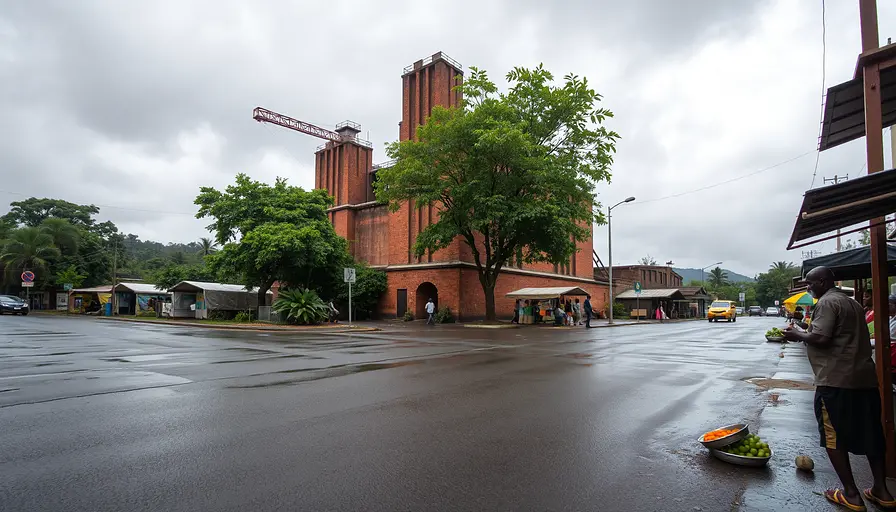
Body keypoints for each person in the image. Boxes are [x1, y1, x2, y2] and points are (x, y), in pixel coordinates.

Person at [782, 266, 894, 510]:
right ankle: (881, 490)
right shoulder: (852, 303)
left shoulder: (827, 302)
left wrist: (797, 334)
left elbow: (821, 339)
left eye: (810, 283)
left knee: (833, 437)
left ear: (823, 282)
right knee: (871, 434)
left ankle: (851, 494)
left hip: (835, 381)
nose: (808, 287)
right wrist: (806, 329)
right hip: (864, 379)